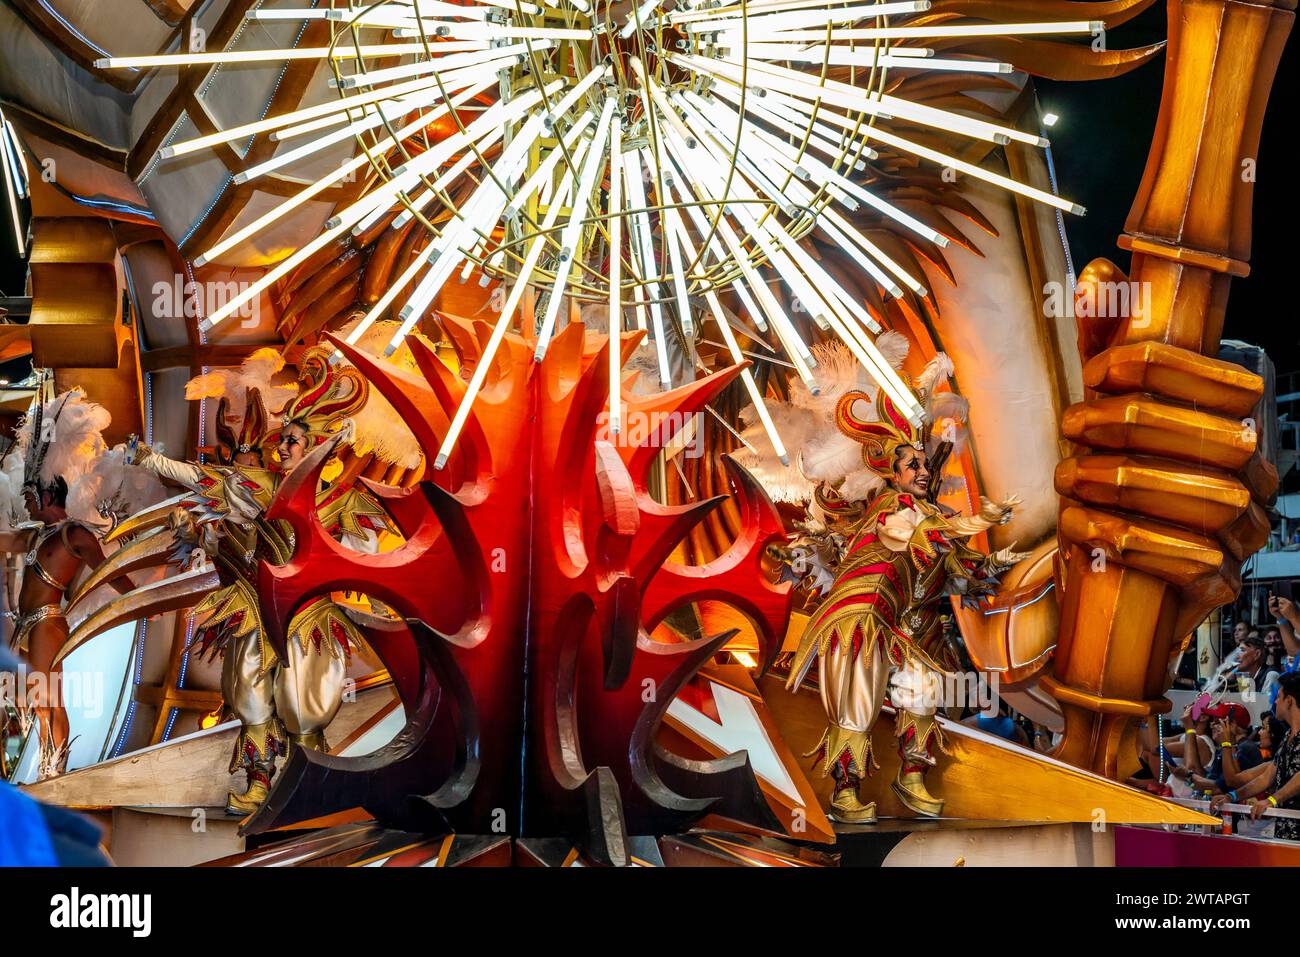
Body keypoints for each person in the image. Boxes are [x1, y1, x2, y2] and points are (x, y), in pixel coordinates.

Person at [72, 349, 399, 815]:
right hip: (254, 607)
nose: (281, 448)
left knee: (304, 708)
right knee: (249, 698)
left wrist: (384, 603)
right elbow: (198, 476)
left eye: (293, 442)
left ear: (319, 450)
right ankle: (260, 784)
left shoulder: (343, 503)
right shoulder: (254, 486)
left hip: (308, 616)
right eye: (282, 440)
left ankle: (304, 784)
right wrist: (149, 459)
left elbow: (367, 558)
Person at [785, 357, 1024, 822]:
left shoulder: (931, 515)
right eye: (911, 465)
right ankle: (845, 791)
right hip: (860, 616)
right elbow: (923, 537)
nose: (921, 471)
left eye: (922, 464)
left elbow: (959, 572)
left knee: (925, 685)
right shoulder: (894, 507)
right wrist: (985, 519)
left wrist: (999, 560)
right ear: (892, 476)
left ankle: (911, 776)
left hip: (909, 624)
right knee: (857, 703)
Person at [1212, 671, 1300, 841]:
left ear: (1289, 701)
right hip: (1286, 831)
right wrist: (1232, 796)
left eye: (1279, 696)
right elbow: (1265, 778)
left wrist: (1271, 800)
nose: (1275, 701)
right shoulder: (1288, 735)